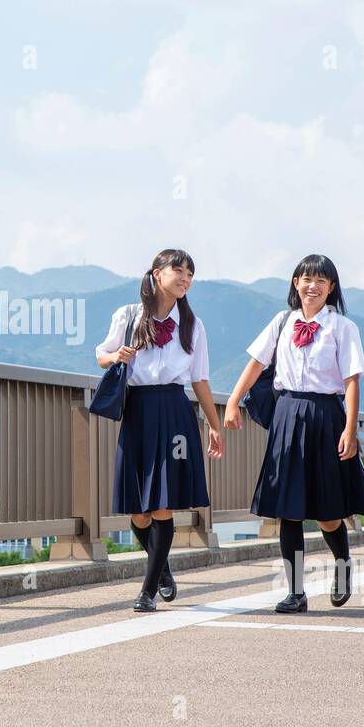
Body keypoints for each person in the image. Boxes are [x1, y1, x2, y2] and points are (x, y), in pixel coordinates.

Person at [225, 254, 364, 613]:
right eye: (306, 279)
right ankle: (295, 591)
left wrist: (350, 429)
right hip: (287, 414)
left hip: (326, 416)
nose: (313, 286)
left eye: (321, 281)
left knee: (328, 511)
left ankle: (342, 568)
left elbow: (351, 380)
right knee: (288, 509)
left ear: (332, 288)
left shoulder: (343, 327)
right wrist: (232, 401)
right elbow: (256, 363)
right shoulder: (281, 322)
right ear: (295, 283)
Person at [95, 248, 224, 612]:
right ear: (157, 274)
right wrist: (116, 356)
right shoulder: (128, 315)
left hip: (175, 413)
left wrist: (214, 426)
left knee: (163, 504)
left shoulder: (194, 325)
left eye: (190, 274)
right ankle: (162, 567)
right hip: (138, 409)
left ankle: (147, 591)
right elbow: (101, 355)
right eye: (178, 271)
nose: (185, 278)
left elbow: (199, 380)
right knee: (138, 510)